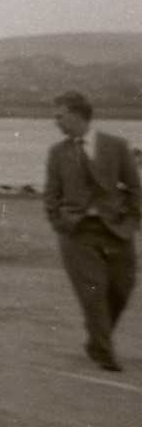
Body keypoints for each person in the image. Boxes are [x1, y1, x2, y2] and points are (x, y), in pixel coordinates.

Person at [44, 90, 138, 373]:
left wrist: (132, 221)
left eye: (60, 117)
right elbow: (51, 194)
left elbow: (135, 188)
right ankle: (105, 353)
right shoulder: (57, 153)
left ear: (77, 114)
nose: (57, 123)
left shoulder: (116, 146)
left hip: (116, 231)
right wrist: (60, 221)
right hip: (78, 233)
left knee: (123, 288)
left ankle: (96, 339)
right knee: (93, 291)